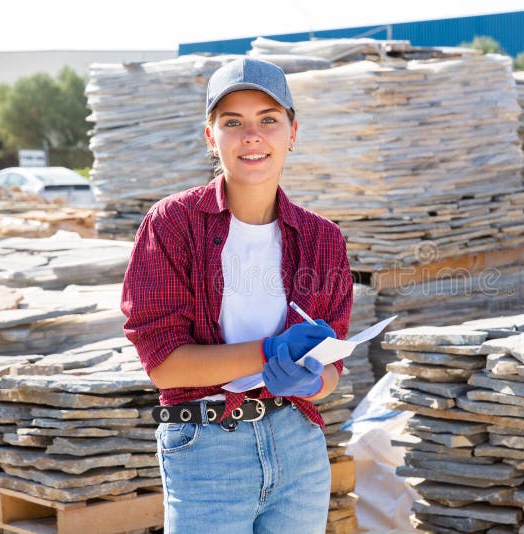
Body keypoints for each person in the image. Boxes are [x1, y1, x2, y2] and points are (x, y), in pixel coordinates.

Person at [121, 57, 353, 533]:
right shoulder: (173, 225)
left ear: (292, 131)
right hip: (208, 449)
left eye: (269, 119)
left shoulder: (322, 238)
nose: (253, 135)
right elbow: (164, 363)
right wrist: (268, 352)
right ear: (211, 135)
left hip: (298, 446)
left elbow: (332, 369)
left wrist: (312, 383)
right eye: (233, 122)